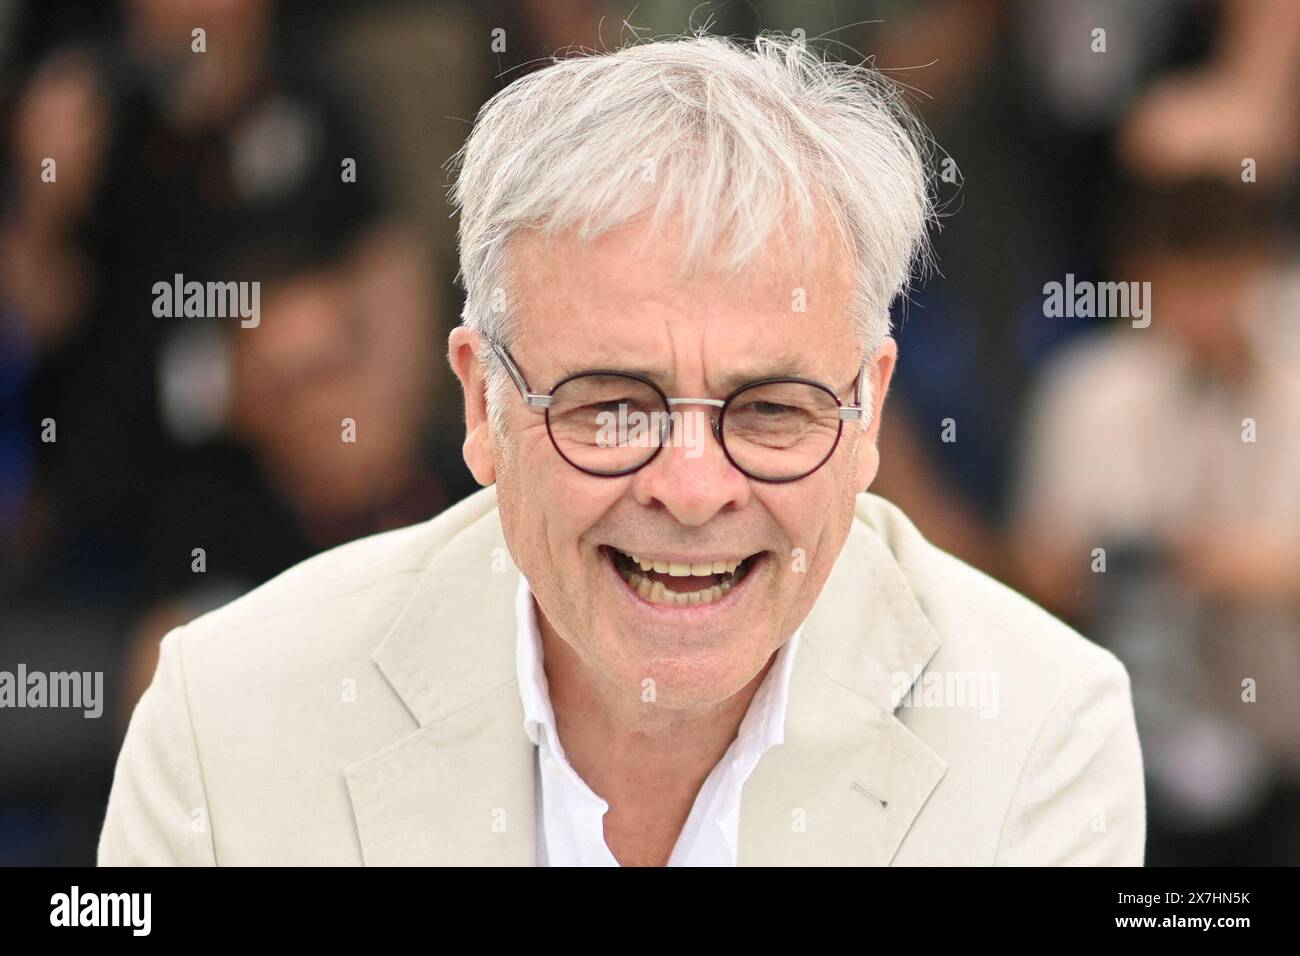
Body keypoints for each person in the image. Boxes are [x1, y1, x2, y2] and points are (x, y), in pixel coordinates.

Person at [97, 33, 1145, 866]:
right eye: (609, 405)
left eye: (771, 407)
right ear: (481, 401)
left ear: (865, 413)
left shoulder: (1042, 729)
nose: (692, 487)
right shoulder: (223, 717)